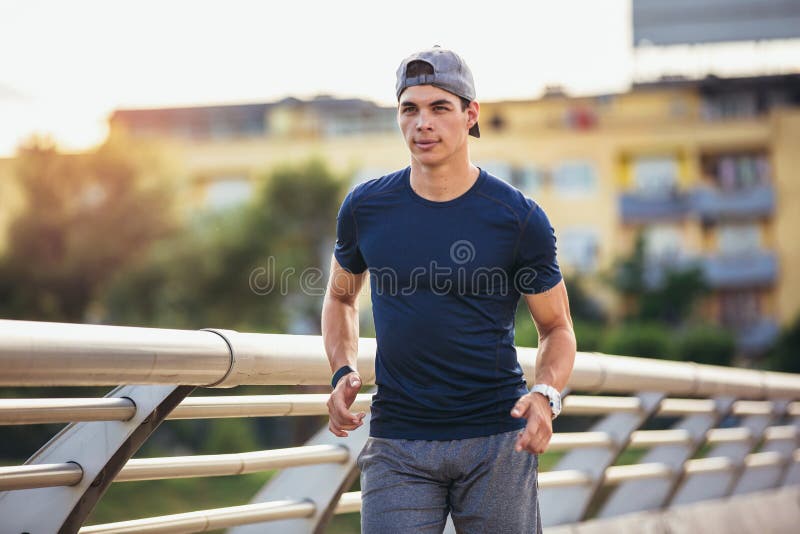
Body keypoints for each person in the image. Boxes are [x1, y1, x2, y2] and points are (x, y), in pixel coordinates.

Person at [321, 46, 576, 534]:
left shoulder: (518, 218)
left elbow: (556, 327)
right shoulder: (365, 207)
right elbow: (340, 297)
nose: (423, 124)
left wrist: (545, 395)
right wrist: (341, 371)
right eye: (409, 109)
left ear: (470, 114)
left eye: (440, 108)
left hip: (497, 440)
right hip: (398, 441)